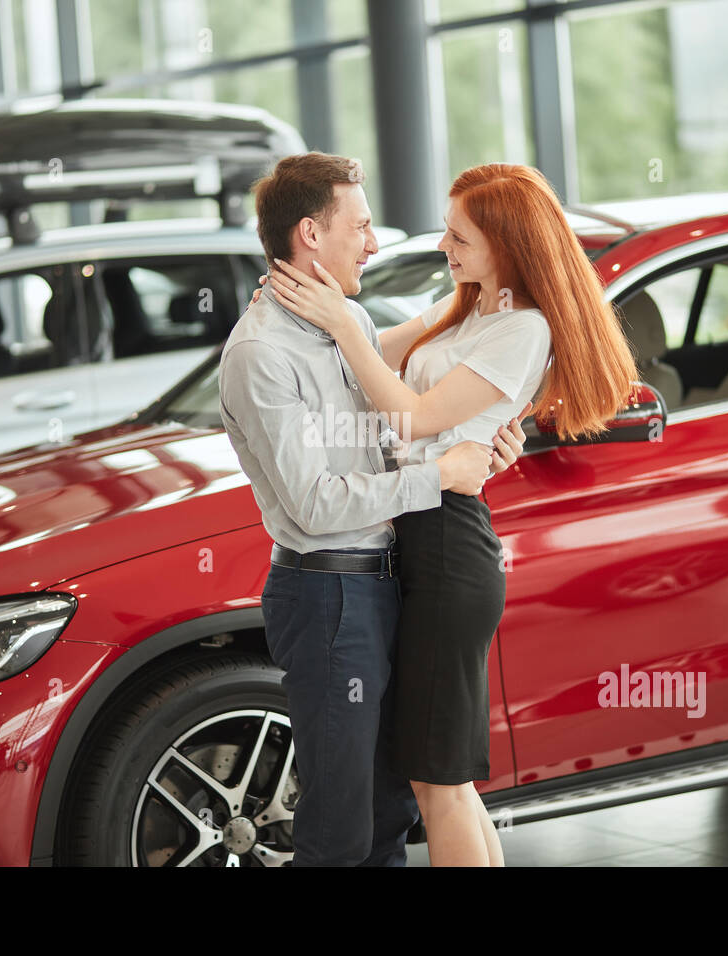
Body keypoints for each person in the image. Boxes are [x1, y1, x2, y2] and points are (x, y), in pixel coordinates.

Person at [266, 162, 638, 866]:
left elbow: (411, 417)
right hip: (424, 537)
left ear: (506, 243)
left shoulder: (523, 329)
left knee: (437, 784)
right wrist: (324, 317)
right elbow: (379, 356)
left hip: (445, 550)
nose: (444, 245)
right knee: (445, 781)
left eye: (459, 235)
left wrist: (342, 324)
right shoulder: (470, 306)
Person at [218, 152, 531, 867]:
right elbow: (316, 501)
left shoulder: (345, 321)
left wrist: (474, 455)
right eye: (360, 225)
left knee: (391, 811)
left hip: (387, 583)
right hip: (329, 593)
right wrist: (439, 478)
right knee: (343, 825)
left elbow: (390, 435)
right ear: (310, 235)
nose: (374, 241)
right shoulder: (261, 354)